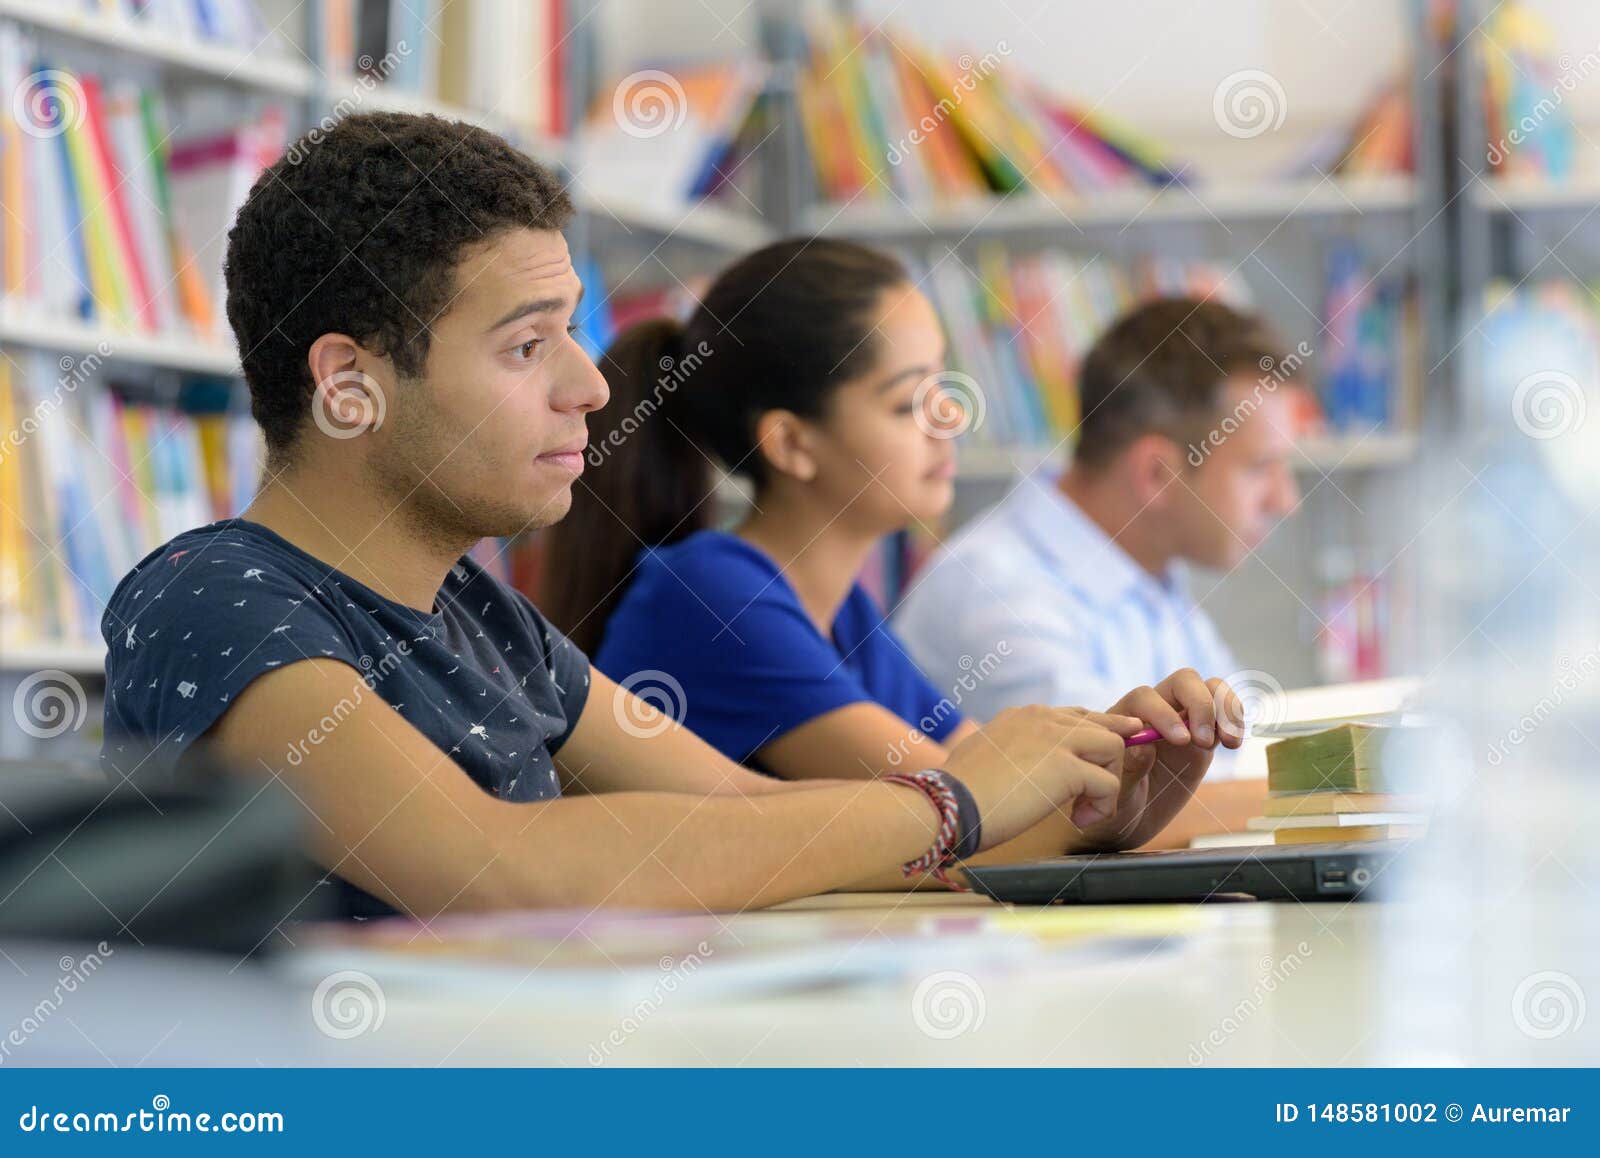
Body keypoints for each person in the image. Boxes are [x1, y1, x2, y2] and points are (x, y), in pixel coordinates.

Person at [100, 112, 1239, 920]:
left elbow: (769, 821)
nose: (590, 388)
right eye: (526, 344)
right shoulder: (213, 600)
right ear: (350, 382)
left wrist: (1104, 811)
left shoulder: (484, 624)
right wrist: (954, 798)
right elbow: (486, 867)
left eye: (575, 334)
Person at [546, 238, 1239, 867]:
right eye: (909, 402)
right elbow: (969, 824)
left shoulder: (842, 609)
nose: (950, 419)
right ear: (791, 444)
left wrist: (1147, 766)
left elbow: (1008, 805)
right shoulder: (716, 594)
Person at [895, 298, 1303, 846]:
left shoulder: (1148, 576)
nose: (1286, 499)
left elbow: (1240, 757)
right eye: (1261, 468)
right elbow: (1098, 811)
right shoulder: (994, 591)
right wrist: (1350, 794)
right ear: (1157, 474)